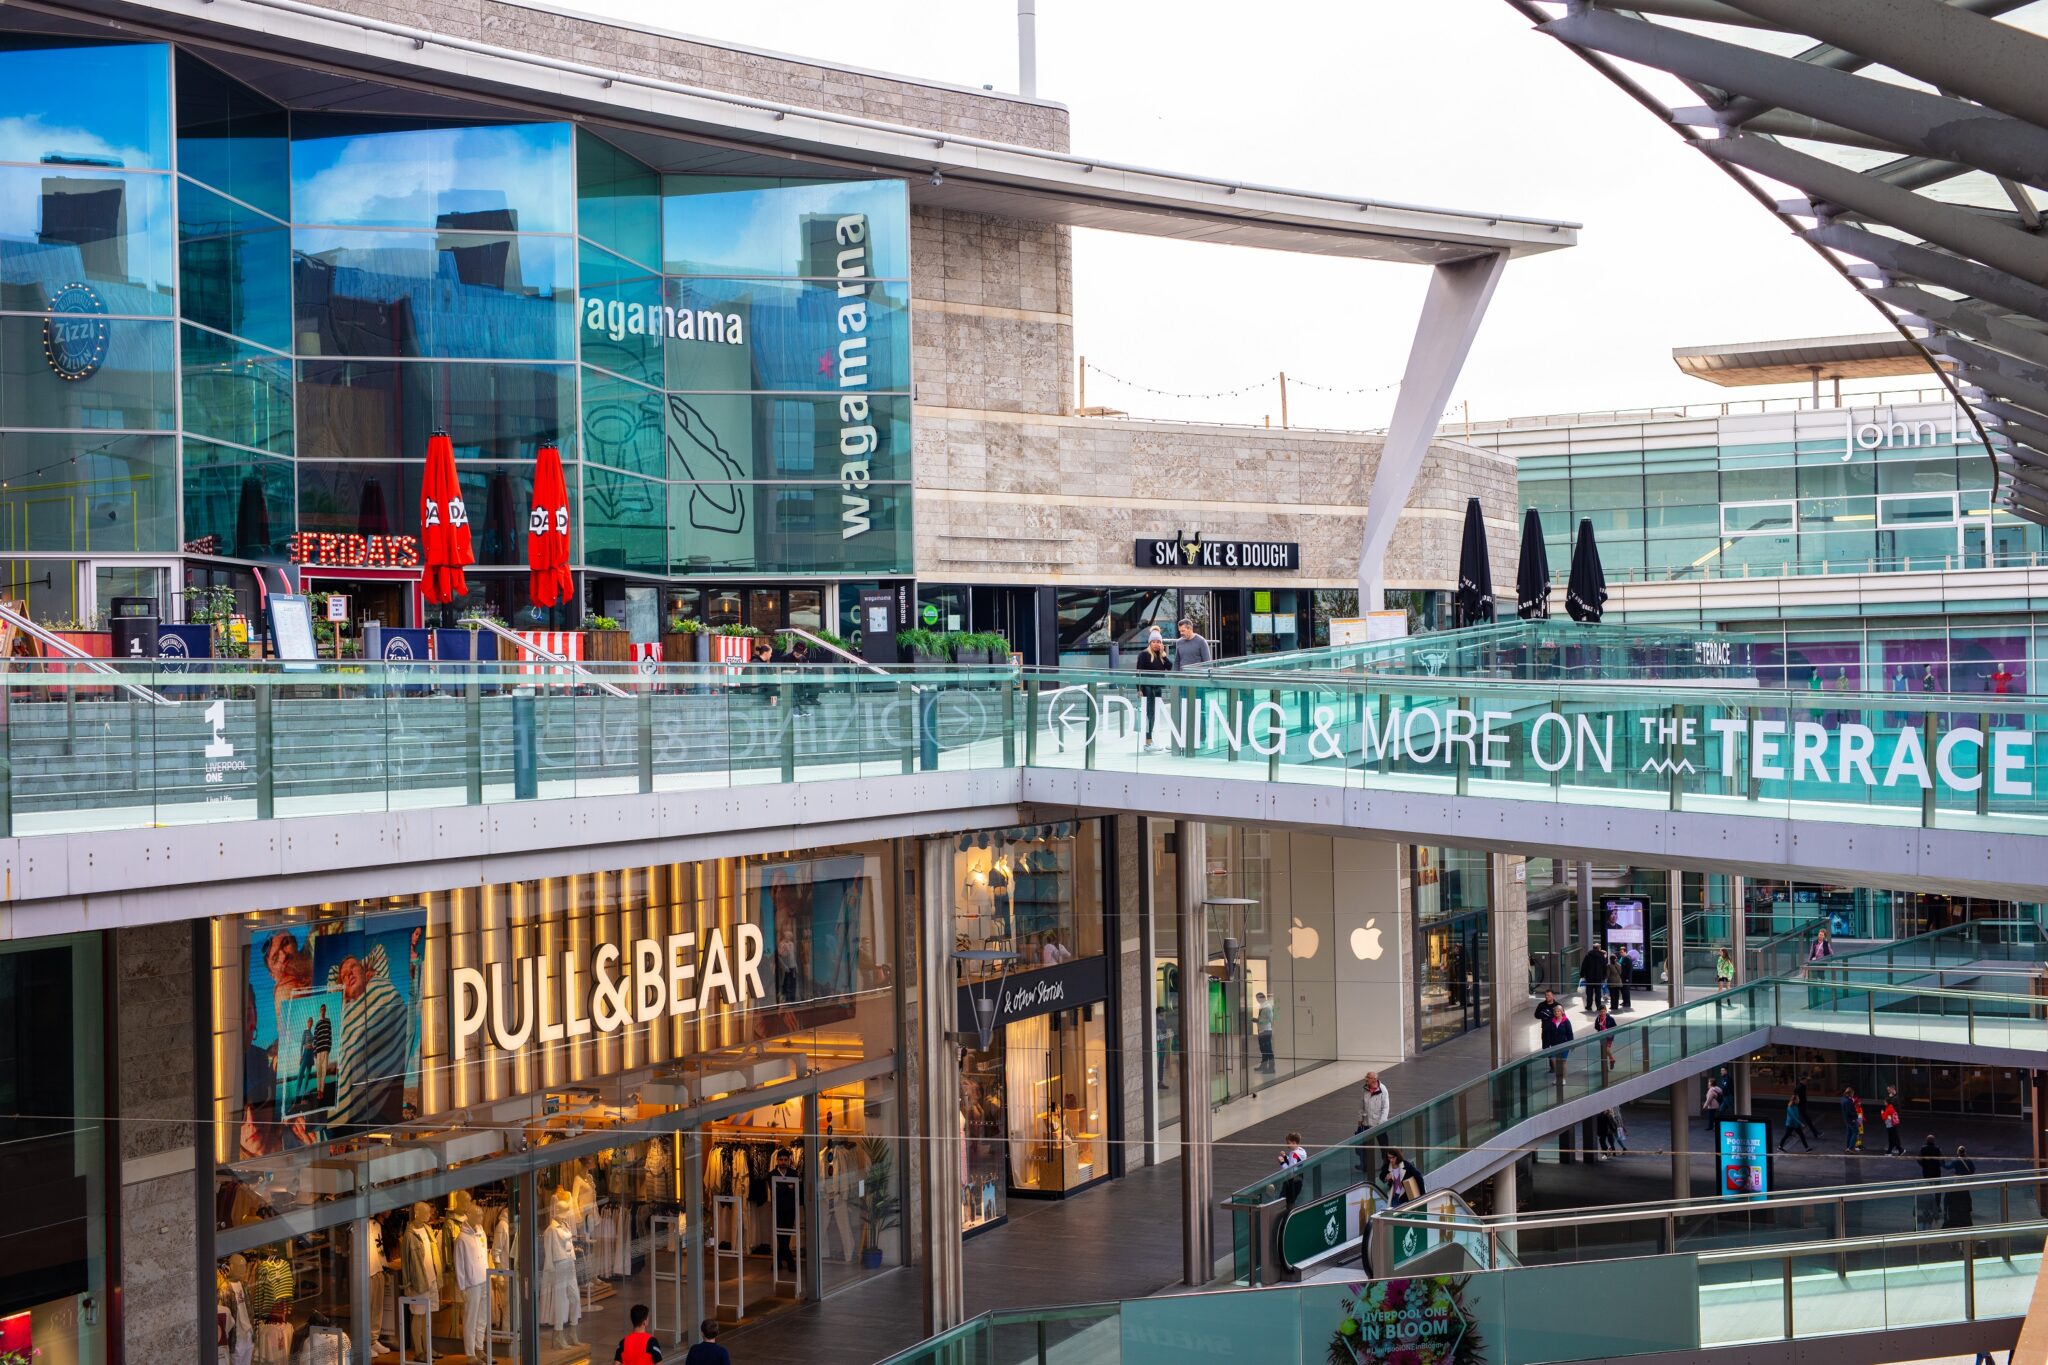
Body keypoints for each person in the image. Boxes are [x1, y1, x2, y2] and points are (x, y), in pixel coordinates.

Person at [1135, 630, 1174, 750]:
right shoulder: (1144, 654)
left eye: (1159, 642)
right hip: (1147, 688)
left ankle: (1150, 740)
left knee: (1154, 714)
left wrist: (1164, 655)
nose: (1156, 644)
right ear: (1150, 643)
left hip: (1157, 688)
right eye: (1154, 642)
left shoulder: (1160, 655)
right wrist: (1139, 689)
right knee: (1150, 714)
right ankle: (1148, 742)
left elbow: (1169, 667)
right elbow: (1138, 672)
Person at [771, 1148, 801, 1272]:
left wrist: (782, 1187)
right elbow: (775, 1191)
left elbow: (796, 1190)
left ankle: (778, 1261)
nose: (783, 1162)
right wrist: (788, 1187)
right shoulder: (772, 1174)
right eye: (781, 1160)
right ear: (777, 1160)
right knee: (780, 1236)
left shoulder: (793, 1173)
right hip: (777, 1210)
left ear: (788, 1160)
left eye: (785, 1159)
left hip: (790, 1209)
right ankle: (790, 1261)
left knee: (786, 1236)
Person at [1943, 1146, 1977, 1229]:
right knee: (1965, 1192)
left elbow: (1947, 1167)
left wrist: (1941, 1162)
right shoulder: (1968, 1160)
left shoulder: (1956, 1161)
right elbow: (1973, 1169)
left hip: (1958, 1179)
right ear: (1965, 1152)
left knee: (1954, 1191)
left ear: (1958, 1152)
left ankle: (1954, 1205)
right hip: (1966, 1180)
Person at [1917, 1134, 1945, 1229]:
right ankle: (1937, 1207)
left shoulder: (1923, 1149)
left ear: (1926, 1140)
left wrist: (1924, 1165)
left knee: (1927, 1189)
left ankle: (1927, 1206)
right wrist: (1939, 1165)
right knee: (1937, 1190)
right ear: (1933, 1141)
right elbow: (1942, 1160)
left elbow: (1918, 1159)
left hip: (1926, 1172)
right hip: (1936, 1172)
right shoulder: (1937, 1149)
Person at [1542, 1005, 1573, 1079]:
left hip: (1564, 1045)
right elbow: (1548, 1034)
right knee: (1554, 1061)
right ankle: (1558, 1078)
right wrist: (1547, 1045)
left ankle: (1563, 1078)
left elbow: (1570, 1033)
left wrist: (1571, 1044)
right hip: (1554, 1045)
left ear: (1562, 1012)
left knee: (1563, 1062)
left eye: (1558, 1011)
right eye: (1555, 1011)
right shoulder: (1551, 1021)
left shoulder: (1566, 1021)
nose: (1557, 1013)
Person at [1277, 1131, 1308, 1207]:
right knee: (1290, 1200)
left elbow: (1290, 1170)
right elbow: (1293, 1163)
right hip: (1299, 1178)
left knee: (1286, 1201)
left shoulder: (1294, 1154)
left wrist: (1282, 1162)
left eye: (1288, 1143)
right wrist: (1285, 1157)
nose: (1287, 1145)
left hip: (1292, 1181)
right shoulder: (1302, 1150)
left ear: (1294, 1143)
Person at [1579, 943, 1610, 1014]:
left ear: (1593, 948)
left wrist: (1582, 975)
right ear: (1599, 948)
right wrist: (1604, 977)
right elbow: (1604, 967)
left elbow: (1583, 966)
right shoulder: (1602, 956)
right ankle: (1598, 1006)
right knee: (1598, 992)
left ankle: (1589, 1006)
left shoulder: (1588, 956)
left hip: (1589, 978)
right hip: (1598, 978)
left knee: (1589, 992)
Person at [1796, 1073, 1824, 1141]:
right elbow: (1796, 1098)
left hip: (1802, 1106)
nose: (1807, 1082)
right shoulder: (1799, 1088)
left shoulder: (1803, 1087)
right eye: (1806, 1080)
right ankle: (1815, 1133)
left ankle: (1815, 1133)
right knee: (1805, 1120)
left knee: (1802, 1120)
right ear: (1802, 1080)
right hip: (1800, 1106)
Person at [1253, 991, 1276, 1073]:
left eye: (1258, 998)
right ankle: (1263, 1066)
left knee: (1267, 1049)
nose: (1257, 1000)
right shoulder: (1262, 1007)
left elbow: (1270, 1019)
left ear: (1262, 998)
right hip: (1262, 1030)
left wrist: (1258, 1021)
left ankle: (1271, 1068)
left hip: (1266, 1030)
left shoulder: (1267, 1007)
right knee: (1263, 1049)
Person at [1592, 1004, 1618, 1069]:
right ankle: (1605, 1066)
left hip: (1609, 1036)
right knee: (1603, 1052)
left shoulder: (1610, 1018)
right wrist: (1599, 1025)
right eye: (1601, 1011)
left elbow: (1615, 1026)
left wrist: (1607, 1029)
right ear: (1599, 1012)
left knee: (1607, 1049)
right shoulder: (1598, 1019)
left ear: (1606, 1011)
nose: (1603, 1013)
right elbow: (1596, 1027)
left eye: (1604, 1011)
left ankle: (1612, 1059)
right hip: (1602, 1036)